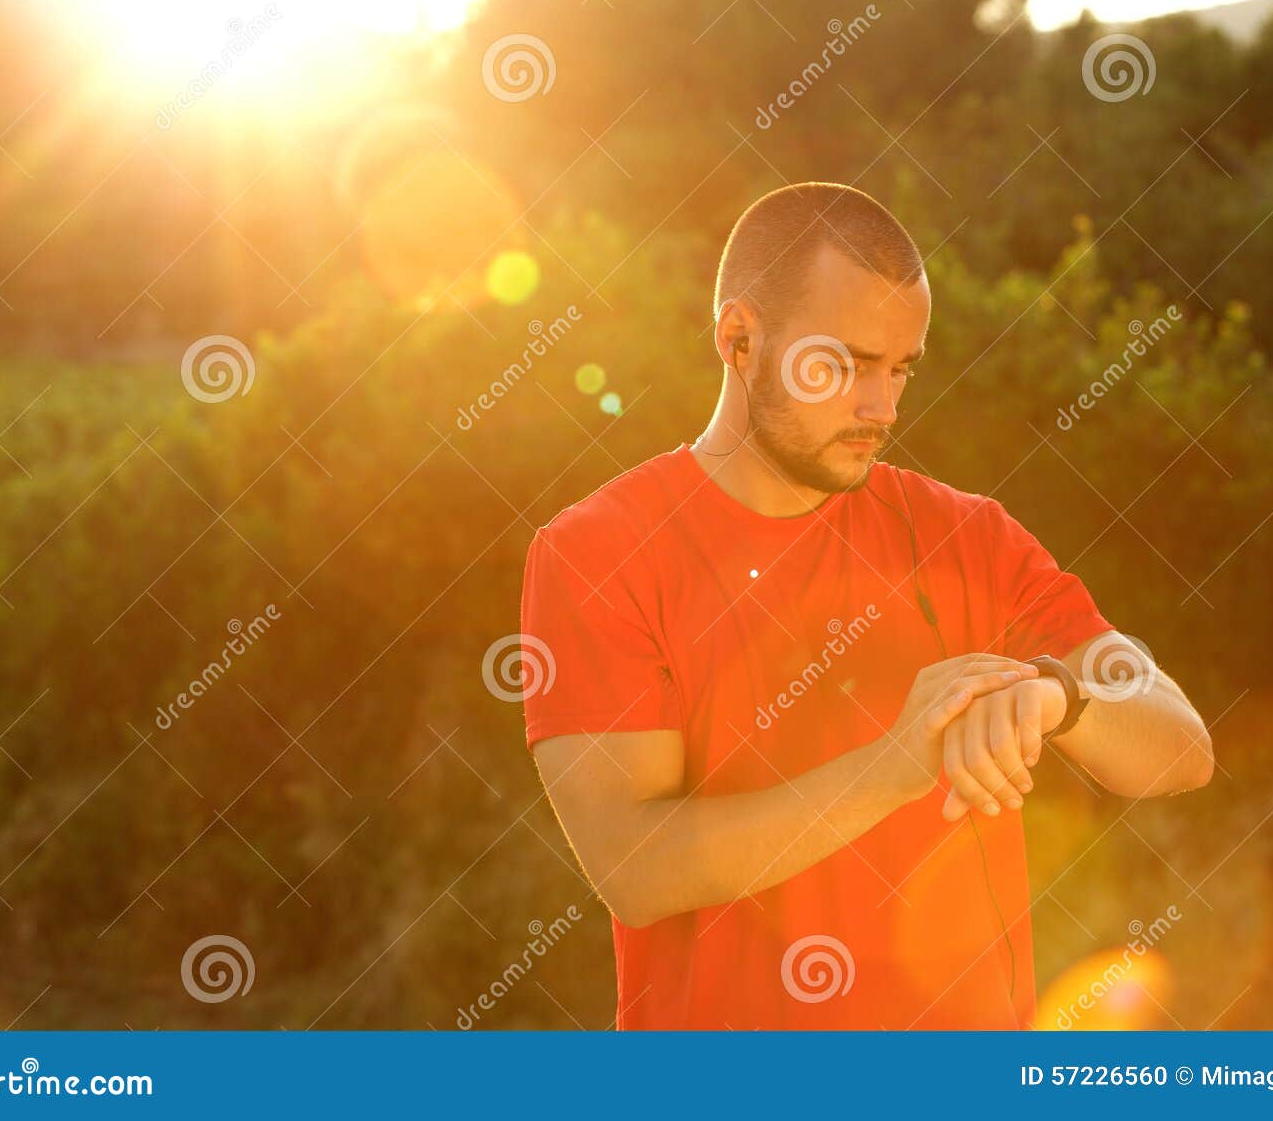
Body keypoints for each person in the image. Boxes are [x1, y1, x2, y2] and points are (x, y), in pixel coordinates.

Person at [518, 182, 1213, 1029]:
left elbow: (1181, 746)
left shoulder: (968, 536)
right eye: (842, 365)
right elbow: (634, 865)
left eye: (899, 368)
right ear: (739, 338)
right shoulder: (596, 551)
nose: (880, 407)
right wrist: (892, 766)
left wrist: (1054, 696)